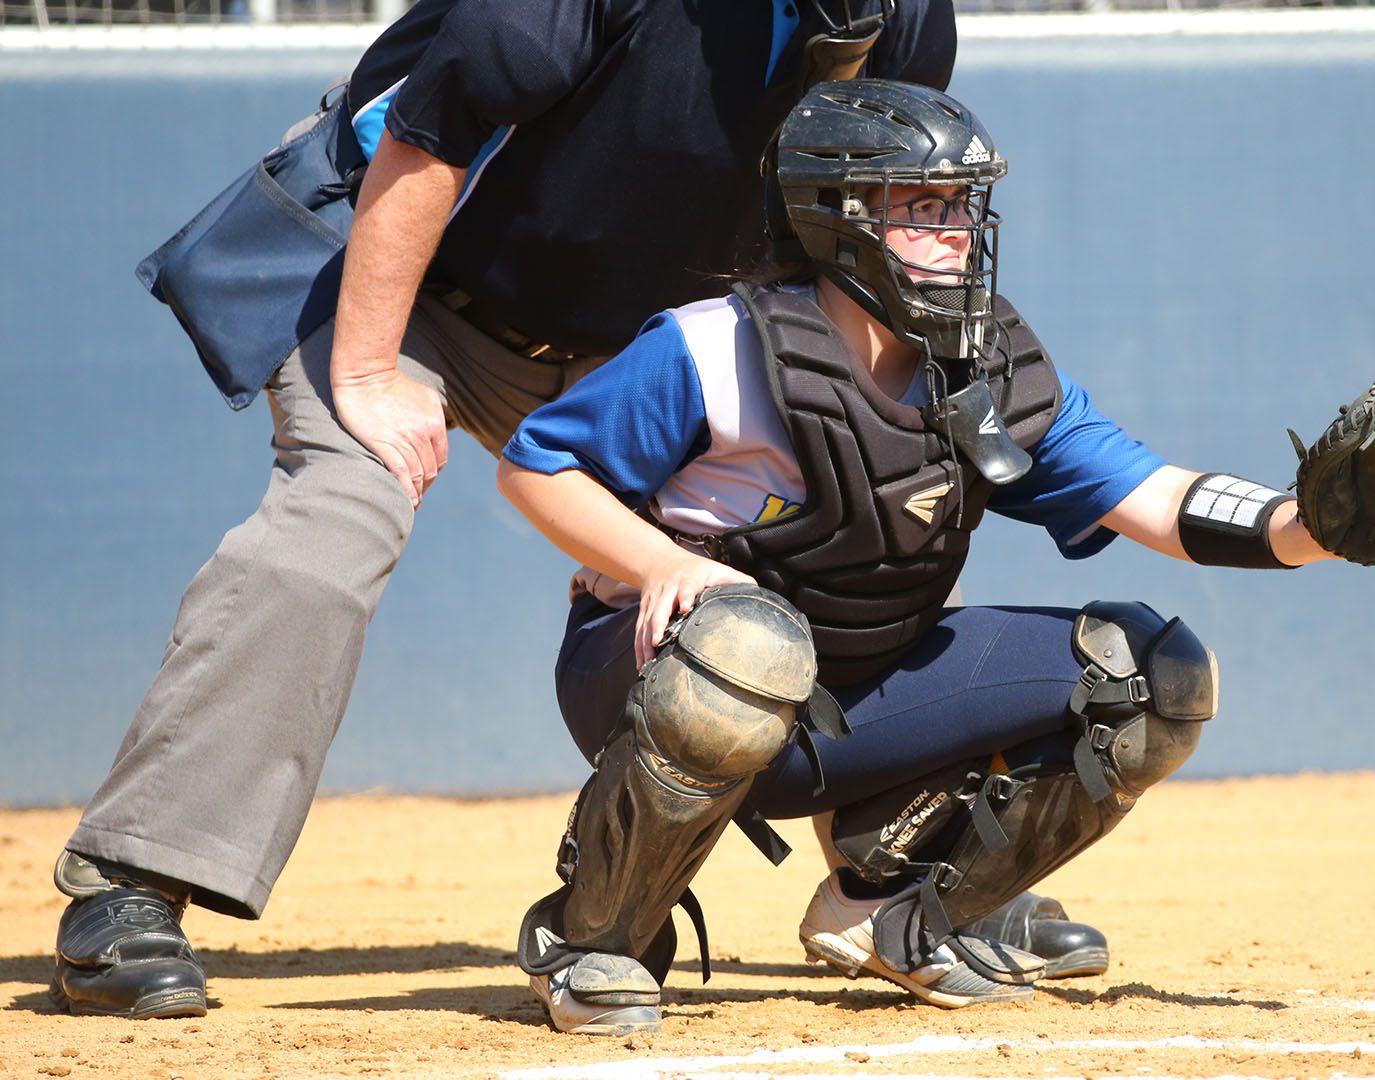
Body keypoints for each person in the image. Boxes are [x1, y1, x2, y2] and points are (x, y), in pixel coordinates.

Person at [50, 0, 1102, 1023]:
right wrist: (367, 370)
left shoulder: (903, 14)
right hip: (412, 292)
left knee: (851, 505)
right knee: (338, 518)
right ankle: (132, 882)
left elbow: (861, 206)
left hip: (630, 343)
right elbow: (428, 133)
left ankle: (899, 869)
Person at [493, 77, 1346, 1036]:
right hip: (661, 680)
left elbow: (1159, 500)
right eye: (921, 208)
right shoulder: (716, 349)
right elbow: (538, 464)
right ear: (838, 219)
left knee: (1154, 676)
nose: (957, 233)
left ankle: (900, 904)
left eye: (963, 206)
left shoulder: (989, 368)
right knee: (748, 646)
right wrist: (659, 562)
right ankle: (593, 935)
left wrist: (1318, 523)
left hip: (856, 693)